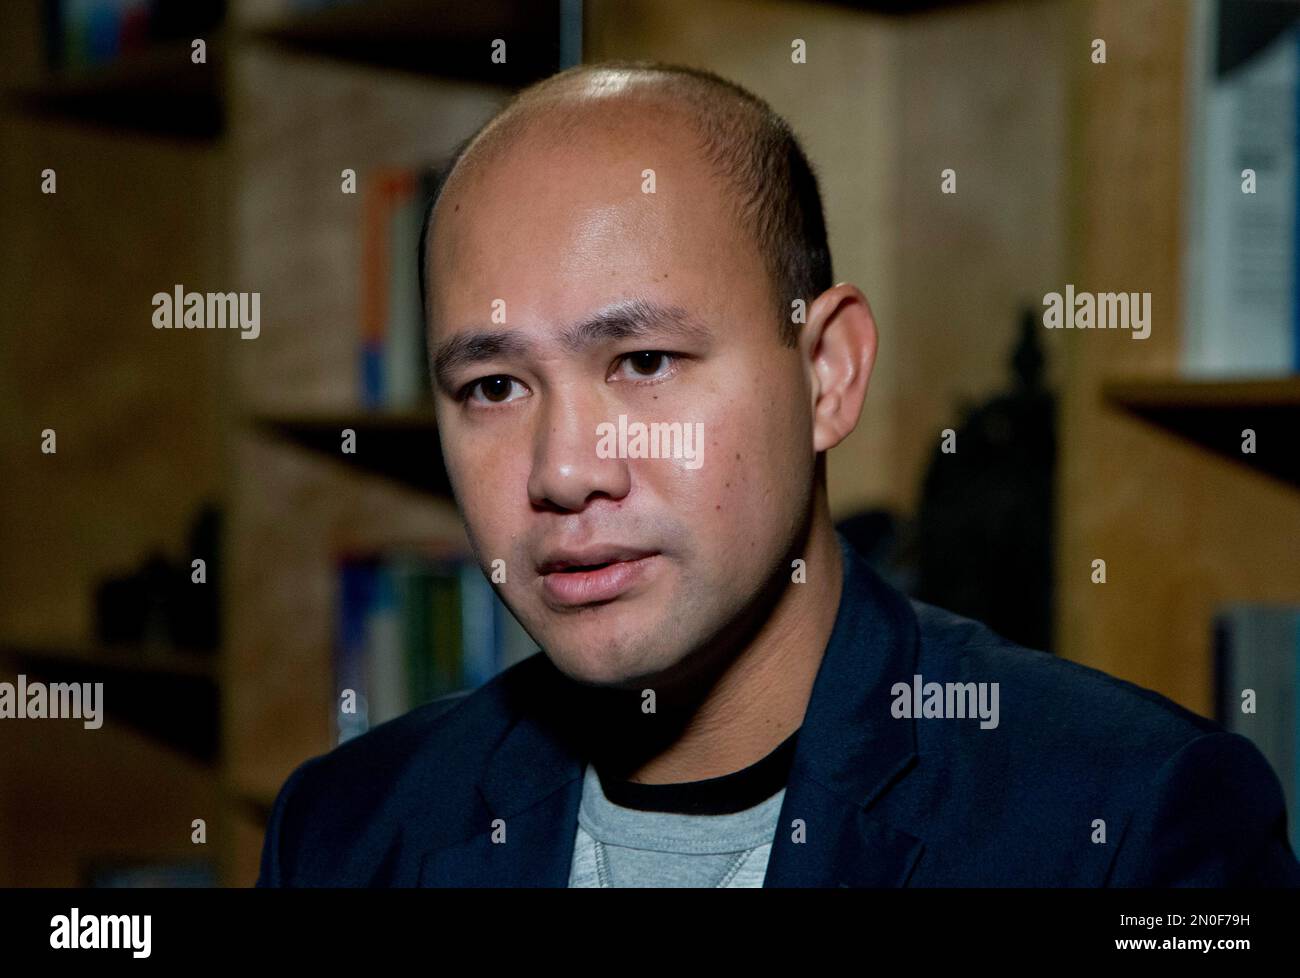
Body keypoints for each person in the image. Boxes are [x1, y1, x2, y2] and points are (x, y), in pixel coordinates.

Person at [257, 61, 1300, 887]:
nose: (565, 471)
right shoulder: (347, 832)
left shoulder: (1127, 824)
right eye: (492, 386)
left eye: (645, 363)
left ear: (828, 373)